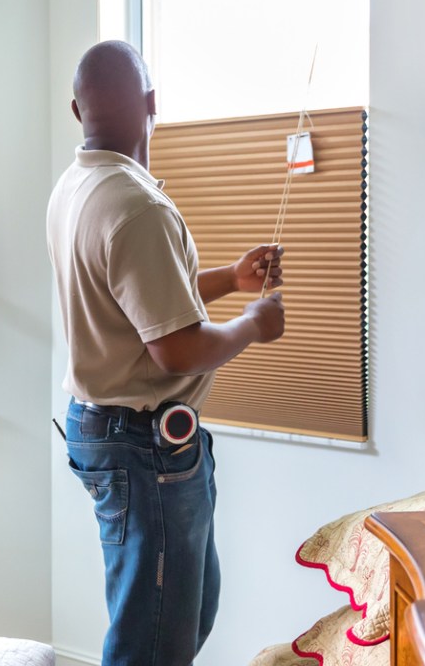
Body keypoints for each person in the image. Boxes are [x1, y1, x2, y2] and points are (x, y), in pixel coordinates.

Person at [47, 40, 286, 665]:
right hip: (143, 448)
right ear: (153, 104)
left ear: (77, 111)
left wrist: (230, 280)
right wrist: (253, 325)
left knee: (184, 615)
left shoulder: (78, 186)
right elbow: (176, 349)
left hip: (110, 432)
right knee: (153, 642)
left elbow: (143, 302)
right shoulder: (136, 206)